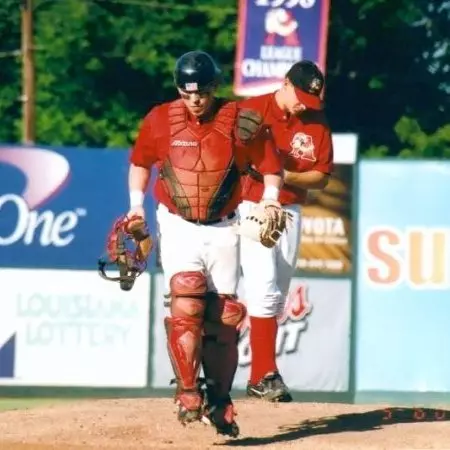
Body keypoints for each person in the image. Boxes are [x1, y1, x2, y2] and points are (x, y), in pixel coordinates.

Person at [127, 50, 283, 436]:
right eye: (186, 91)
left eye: (201, 92)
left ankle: (220, 398)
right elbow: (140, 163)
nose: (194, 99)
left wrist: (271, 197)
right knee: (186, 295)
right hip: (178, 222)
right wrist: (136, 208)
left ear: (214, 87)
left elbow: (271, 167)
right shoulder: (160, 119)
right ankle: (187, 391)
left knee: (224, 315)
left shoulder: (241, 121)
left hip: (225, 226)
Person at [238, 60, 334, 402]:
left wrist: (279, 174)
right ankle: (266, 373)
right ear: (286, 83)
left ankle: (257, 376)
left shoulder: (316, 121)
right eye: (300, 99)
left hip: (290, 210)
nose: (303, 107)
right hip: (252, 206)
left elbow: (321, 177)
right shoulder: (251, 109)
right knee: (261, 286)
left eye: (310, 102)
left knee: (276, 294)